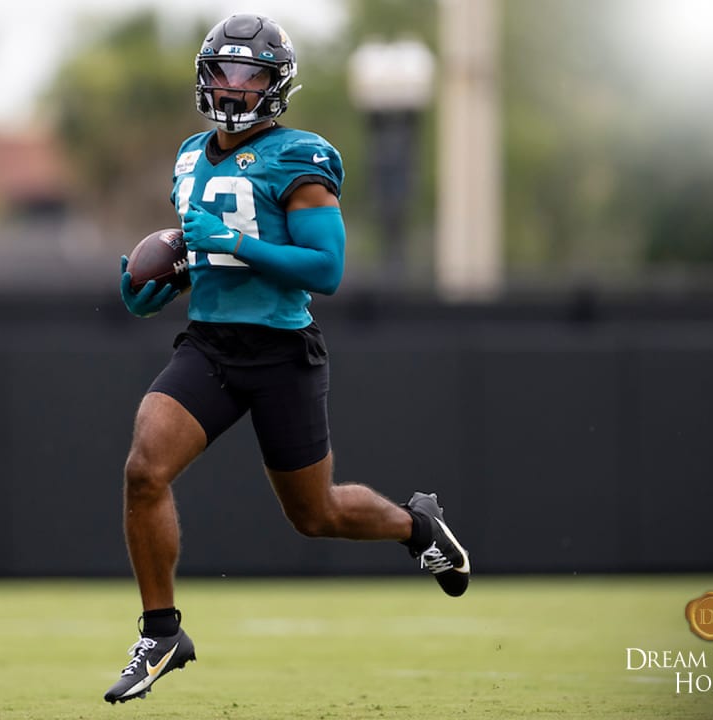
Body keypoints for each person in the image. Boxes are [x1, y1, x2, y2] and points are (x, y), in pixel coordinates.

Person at [104, 13, 470, 705]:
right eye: (223, 71)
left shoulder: (300, 156)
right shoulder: (189, 155)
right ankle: (161, 633)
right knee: (144, 469)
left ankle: (418, 526)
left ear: (277, 86)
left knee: (317, 514)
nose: (234, 87)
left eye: (251, 75)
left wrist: (234, 245)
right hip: (210, 344)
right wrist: (155, 289)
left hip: (280, 353)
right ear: (204, 75)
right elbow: (203, 256)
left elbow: (325, 268)